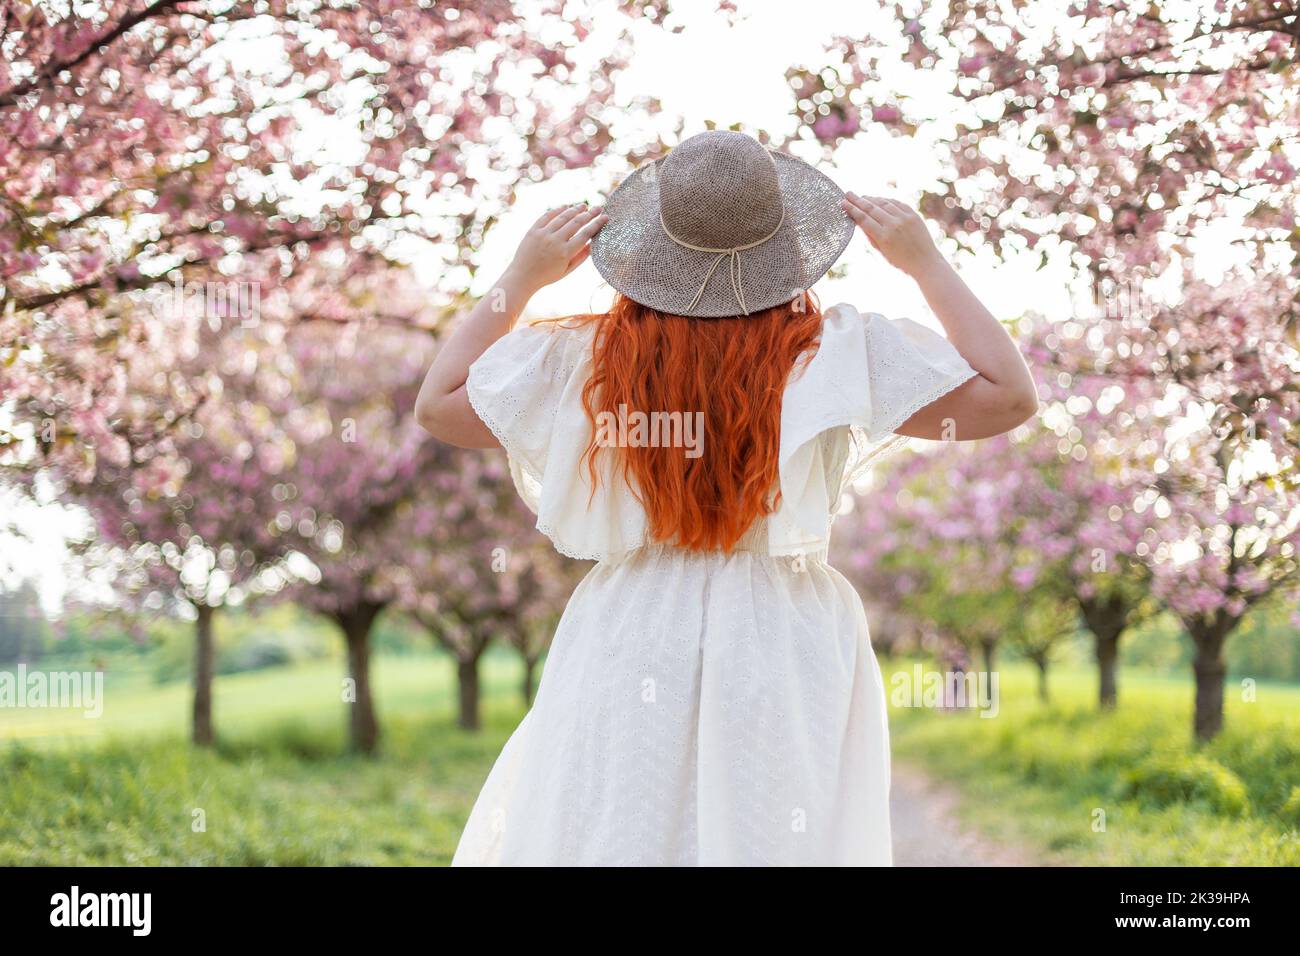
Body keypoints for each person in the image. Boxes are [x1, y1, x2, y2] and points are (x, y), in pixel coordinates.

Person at [415, 130, 1037, 866]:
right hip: (781, 626)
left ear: (651, 251)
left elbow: (438, 405)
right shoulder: (835, 352)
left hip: (632, 620)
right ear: (786, 249)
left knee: (621, 830)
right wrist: (924, 262)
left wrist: (520, 277)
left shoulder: (588, 359)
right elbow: (1008, 396)